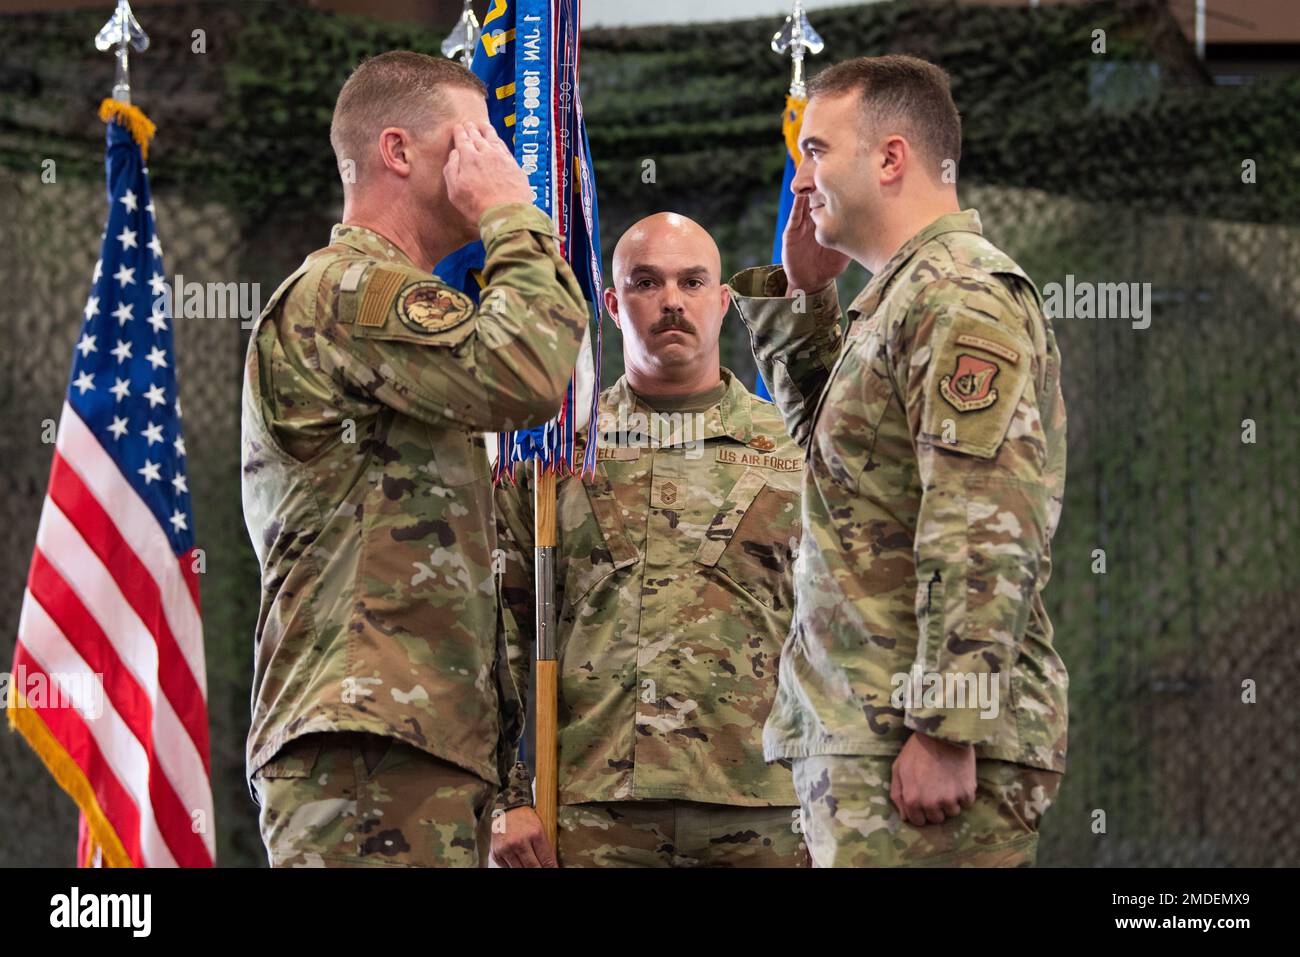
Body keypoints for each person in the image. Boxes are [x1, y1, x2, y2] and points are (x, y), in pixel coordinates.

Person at [240, 51, 589, 867]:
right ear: (397, 151)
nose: (493, 161)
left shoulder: (392, 302)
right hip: (366, 740)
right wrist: (513, 214)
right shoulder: (351, 292)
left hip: (404, 740)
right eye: (473, 142)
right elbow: (529, 369)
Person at [729, 54, 1069, 867]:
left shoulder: (959, 293)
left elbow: (983, 523)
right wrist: (806, 300)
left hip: (911, 739)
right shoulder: (903, 297)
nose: (800, 179)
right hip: (869, 730)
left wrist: (947, 727)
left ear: (890, 159)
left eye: (816, 151)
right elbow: (843, 476)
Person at [490, 213, 808, 868]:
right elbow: (497, 631)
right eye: (646, 282)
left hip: (769, 810)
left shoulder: (792, 450)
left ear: (723, 300)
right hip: (592, 813)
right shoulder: (555, 456)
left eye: (692, 282)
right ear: (611, 305)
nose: (671, 301)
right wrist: (506, 795)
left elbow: (843, 628)